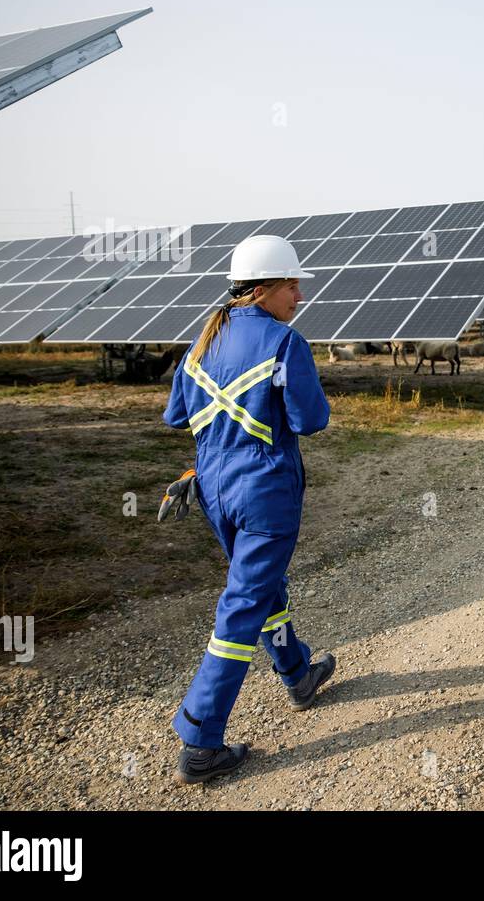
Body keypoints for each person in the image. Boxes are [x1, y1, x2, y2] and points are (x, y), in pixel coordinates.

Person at [162, 234, 335, 784]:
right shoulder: (285, 343)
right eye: (292, 285)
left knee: (261, 587)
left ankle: (295, 672)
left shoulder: (200, 343)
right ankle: (201, 738)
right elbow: (311, 421)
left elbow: (175, 416)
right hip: (266, 495)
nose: (299, 295)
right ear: (263, 290)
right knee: (242, 604)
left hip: (215, 490)